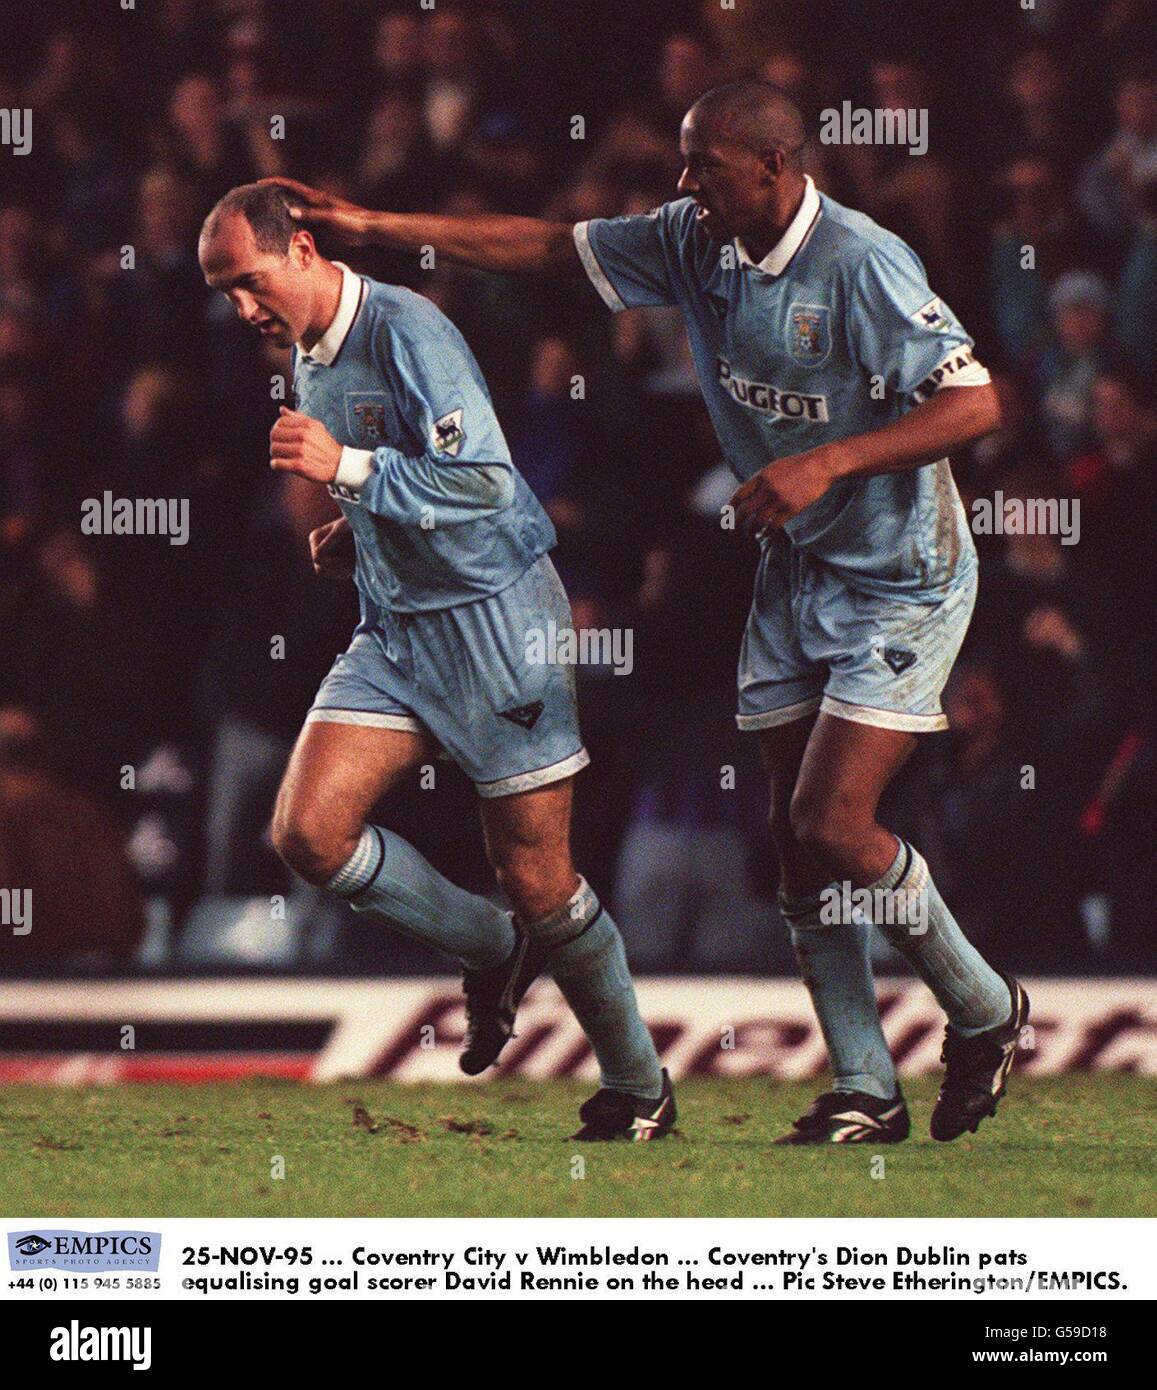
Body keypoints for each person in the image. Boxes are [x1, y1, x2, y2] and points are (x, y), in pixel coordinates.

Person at [266, 78, 1030, 1145]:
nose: (681, 184)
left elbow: (977, 401)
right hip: (793, 570)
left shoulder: (860, 261)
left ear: (771, 165)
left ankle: (987, 1013)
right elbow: (544, 247)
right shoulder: (692, 243)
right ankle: (865, 1083)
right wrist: (370, 225)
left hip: (902, 572)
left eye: (702, 166)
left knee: (831, 820)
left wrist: (828, 460)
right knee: (792, 838)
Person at [197, 183, 673, 1141]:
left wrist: (348, 472)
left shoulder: (408, 330)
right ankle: (490, 946)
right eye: (224, 293)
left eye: (246, 282)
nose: (241, 308)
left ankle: (637, 1086)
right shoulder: (306, 349)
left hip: (497, 625)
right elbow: (396, 477)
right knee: (307, 835)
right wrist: (357, 527)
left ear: (297, 248)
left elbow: (490, 482)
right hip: (397, 628)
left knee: (539, 876)